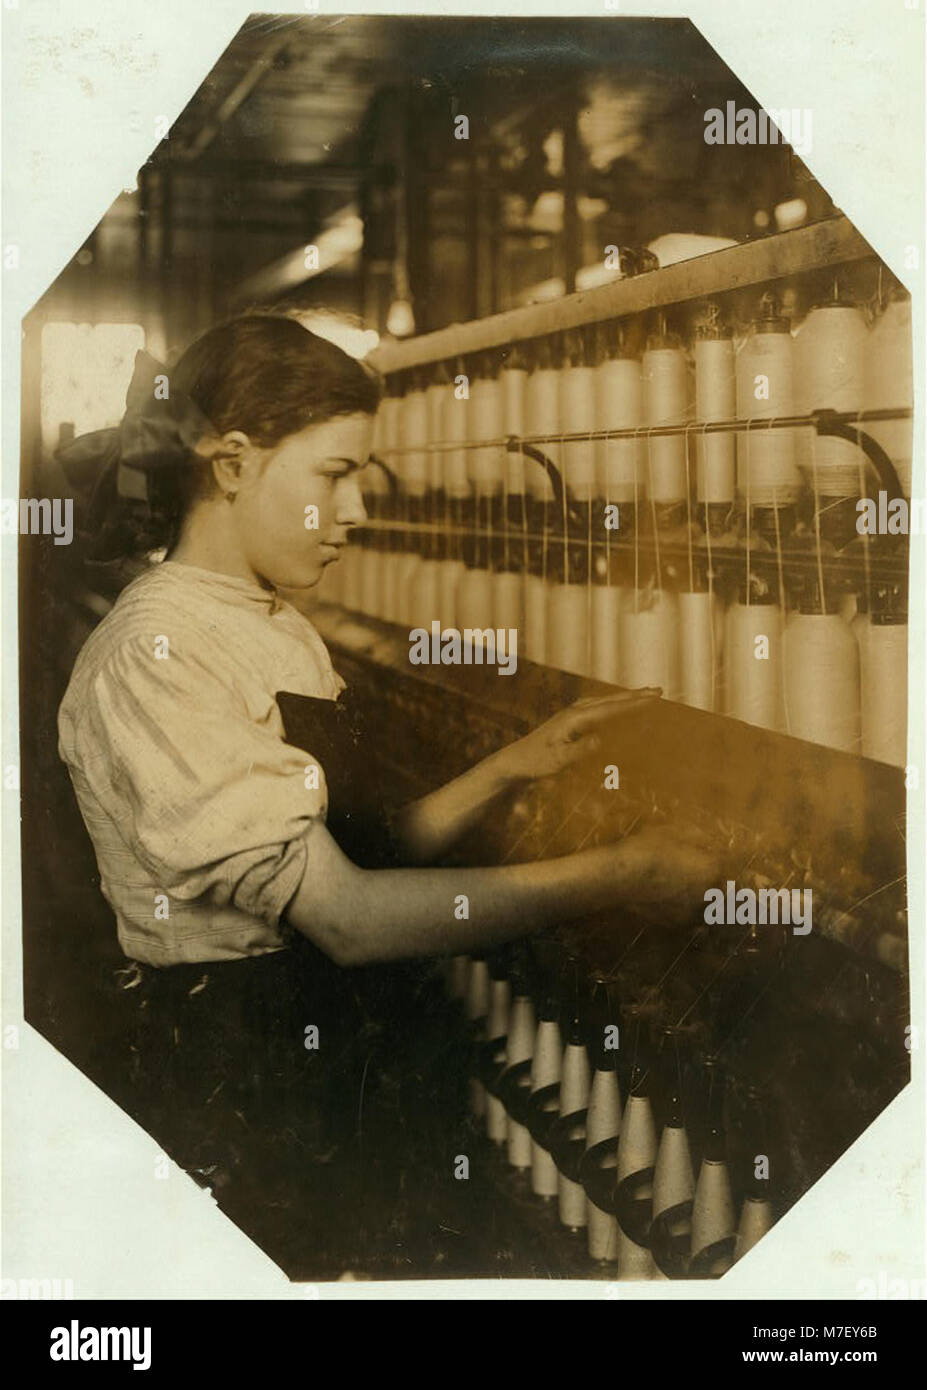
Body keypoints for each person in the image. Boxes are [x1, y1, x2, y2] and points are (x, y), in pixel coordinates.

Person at [55, 315, 715, 1270]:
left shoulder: (270, 621)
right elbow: (351, 916)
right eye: (333, 474)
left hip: (324, 1048)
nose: (357, 509)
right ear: (233, 465)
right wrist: (621, 873)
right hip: (243, 1072)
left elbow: (349, 848)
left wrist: (513, 764)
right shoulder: (157, 655)